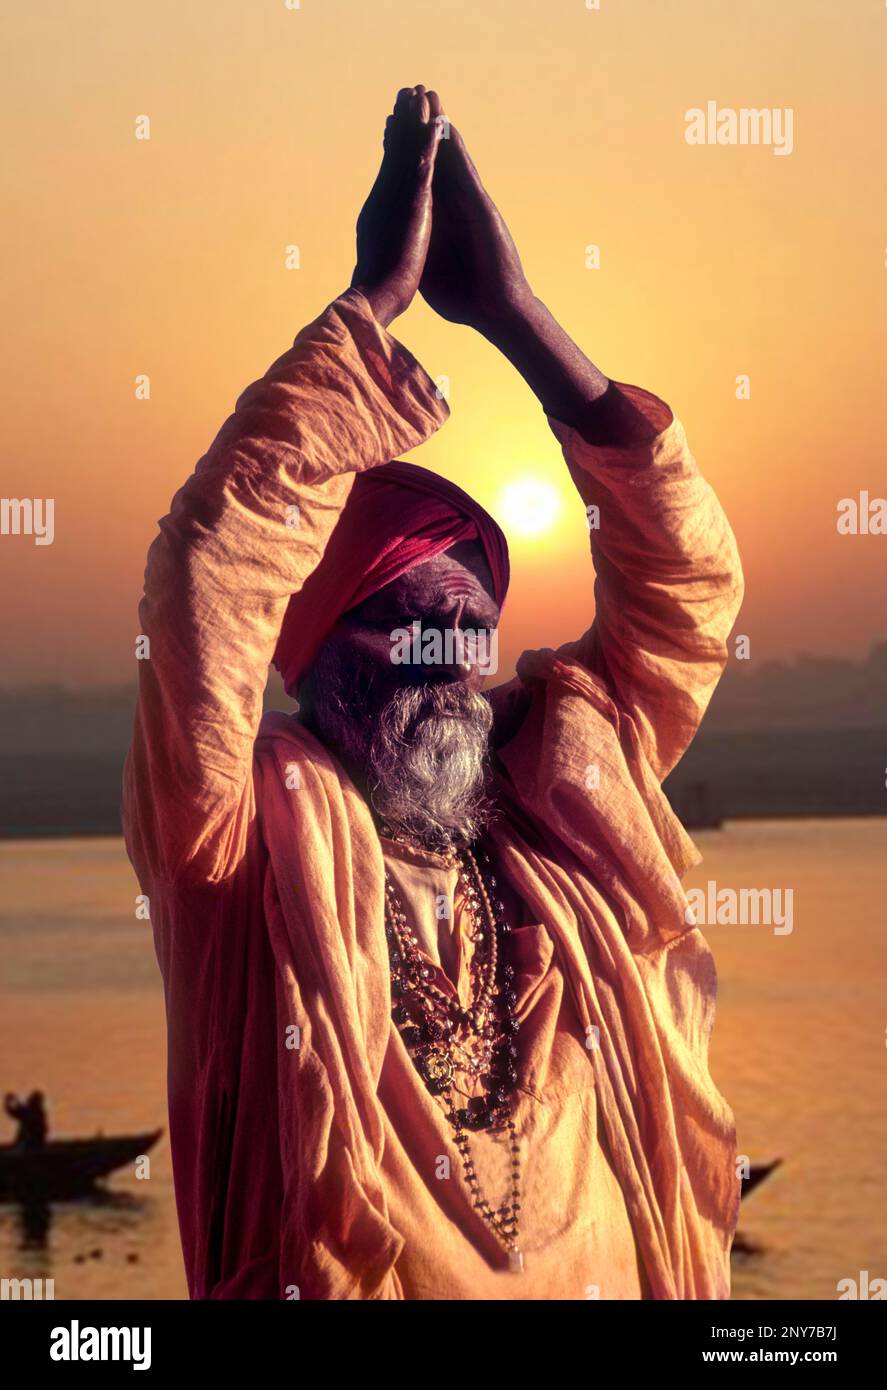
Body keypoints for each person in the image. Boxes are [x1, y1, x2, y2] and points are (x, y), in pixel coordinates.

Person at [124, 86, 744, 1300]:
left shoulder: (561, 814)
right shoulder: (238, 851)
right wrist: (369, 312)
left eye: (469, 627)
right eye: (406, 625)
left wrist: (517, 319)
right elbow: (208, 570)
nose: (450, 662)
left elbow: (691, 592)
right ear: (311, 651)